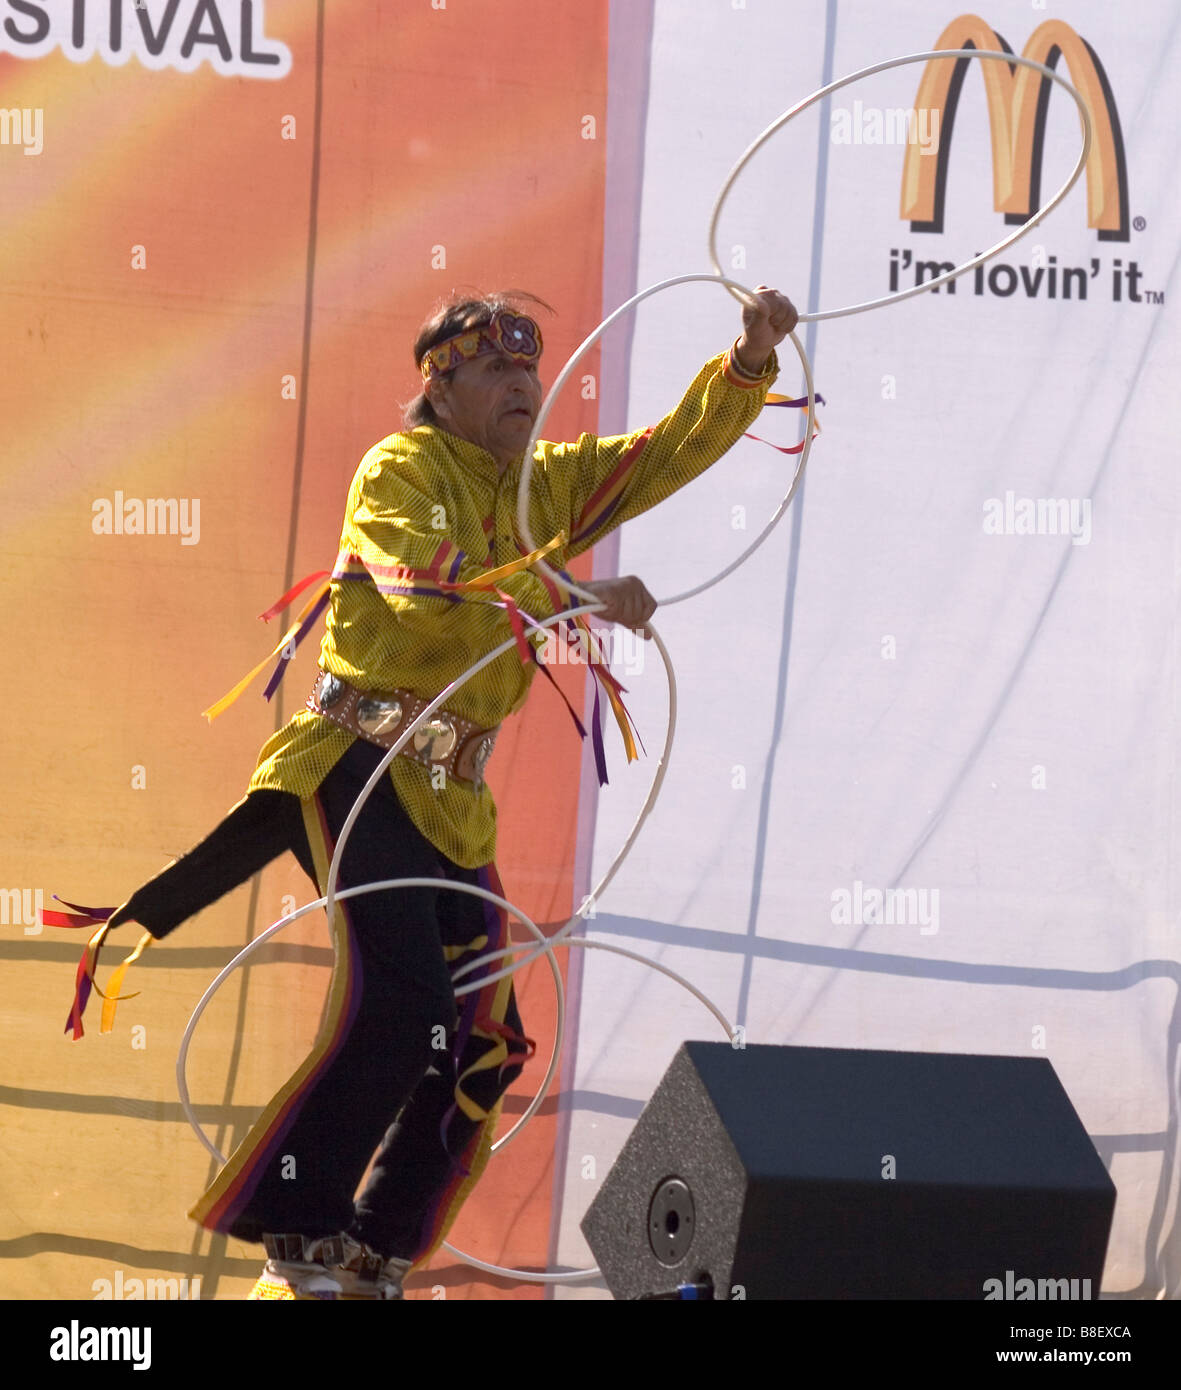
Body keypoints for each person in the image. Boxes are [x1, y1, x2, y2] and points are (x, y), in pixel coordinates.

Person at [81, 283, 798, 1299]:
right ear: (440, 379)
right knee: (402, 998)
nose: (524, 383)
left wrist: (749, 358)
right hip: (354, 766)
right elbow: (426, 577)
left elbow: (663, 453)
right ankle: (299, 1222)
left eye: (531, 367)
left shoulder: (542, 487)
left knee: (484, 1040)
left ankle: (376, 1248)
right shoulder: (401, 469)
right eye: (499, 368)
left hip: (451, 801)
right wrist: (573, 592)